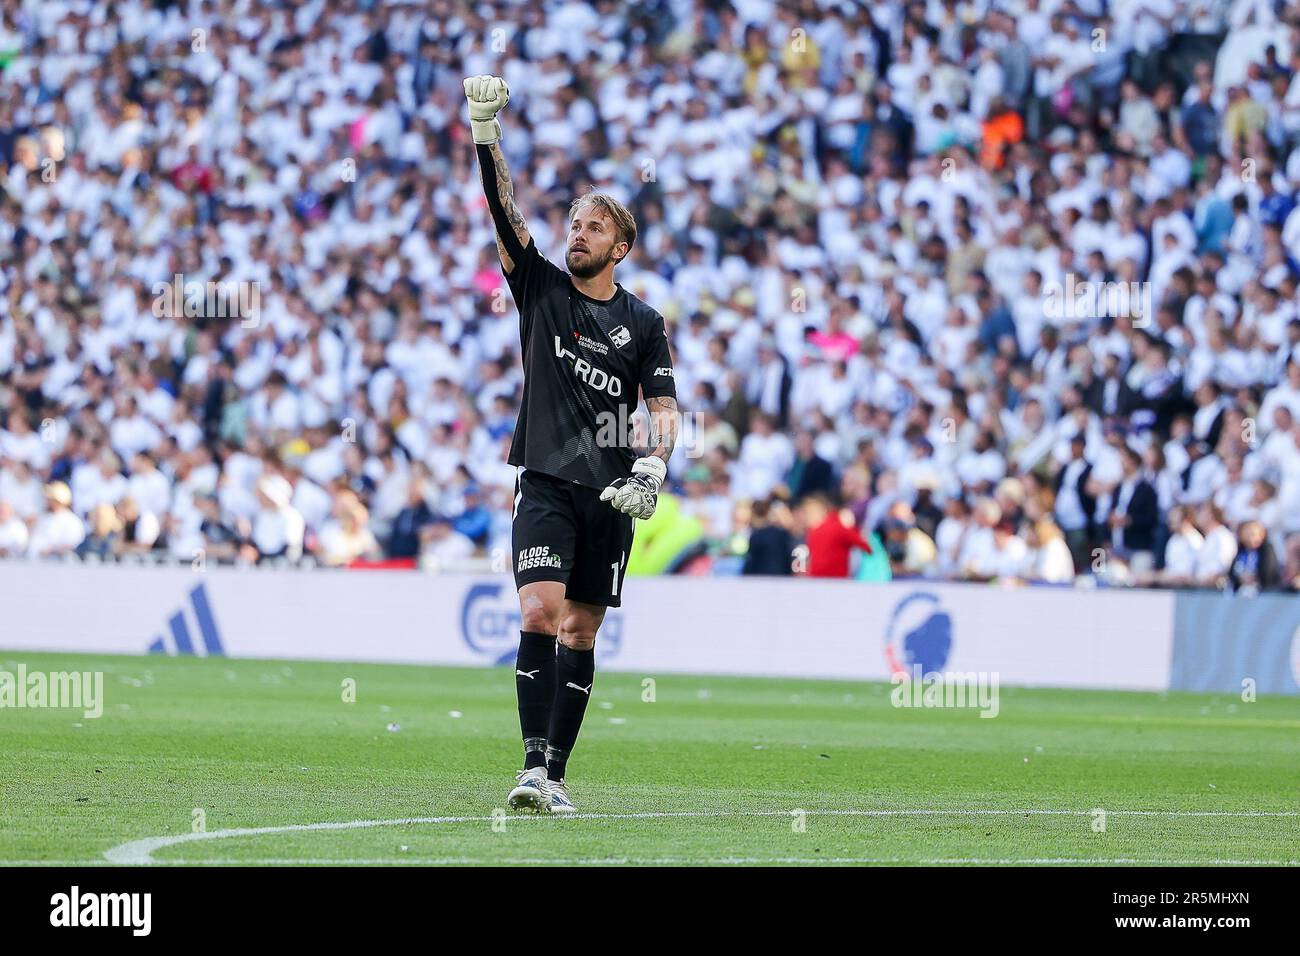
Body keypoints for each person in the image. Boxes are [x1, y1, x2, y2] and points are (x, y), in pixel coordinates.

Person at [467, 75, 680, 814]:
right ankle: (529, 768)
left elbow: (664, 408)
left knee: (582, 631)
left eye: (593, 228)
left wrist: (653, 467)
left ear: (620, 245)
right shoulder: (542, 289)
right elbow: (505, 211)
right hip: (548, 480)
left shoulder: (644, 323)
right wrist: (485, 134)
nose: (577, 234)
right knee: (538, 612)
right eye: (575, 224)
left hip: (611, 493)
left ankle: (557, 775)